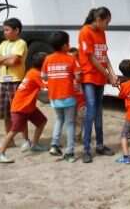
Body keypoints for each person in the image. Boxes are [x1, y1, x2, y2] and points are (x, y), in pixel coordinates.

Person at [0, 52, 48, 163]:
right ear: (43, 64)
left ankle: (34, 144)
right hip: (21, 108)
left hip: (29, 107)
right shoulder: (36, 74)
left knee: (42, 121)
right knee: (14, 130)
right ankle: (0, 154)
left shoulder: (32, 72)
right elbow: (47, 87)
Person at [78, 7, 117, 163]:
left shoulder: (102, 32)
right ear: (99, 19)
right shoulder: (85, 32)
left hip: (100, 78)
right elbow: (92, 58)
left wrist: (112, 74)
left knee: (98, 111)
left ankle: (100, 145)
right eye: (107, 22)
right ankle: (86, 149)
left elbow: (104, 55)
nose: (107, 25)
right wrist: (108, 75)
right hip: (89, 77)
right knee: (91, 110)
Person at [41, 31, 81, 163]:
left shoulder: (48, 59)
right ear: (65, 45)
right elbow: (78, 77)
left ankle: (54, 145)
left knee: (59, 119)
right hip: (68, 96)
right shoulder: (71, 59)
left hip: (54, 96)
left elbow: (44, 76)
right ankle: (69, 152)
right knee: (70, 123)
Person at [0, 18, 30, 148]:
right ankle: (10, 140)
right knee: (6, 113)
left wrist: (1, 59)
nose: (5, 33)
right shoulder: (3, 44)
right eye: (4, 30)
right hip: (3, 82)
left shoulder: (21, 43)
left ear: (16, 30)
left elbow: (14, 62)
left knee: (19, 112)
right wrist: (7, 57)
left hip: (15, 81)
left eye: (7, 30)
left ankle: (26, 140)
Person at [69, 47, 86, 144]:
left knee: (80, 118)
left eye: (76, 57)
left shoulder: (80, 66)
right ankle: (73, 137)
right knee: (71, 119)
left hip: (80, 99)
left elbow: (80, 79)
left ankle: (77, 137)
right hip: (70, 98)